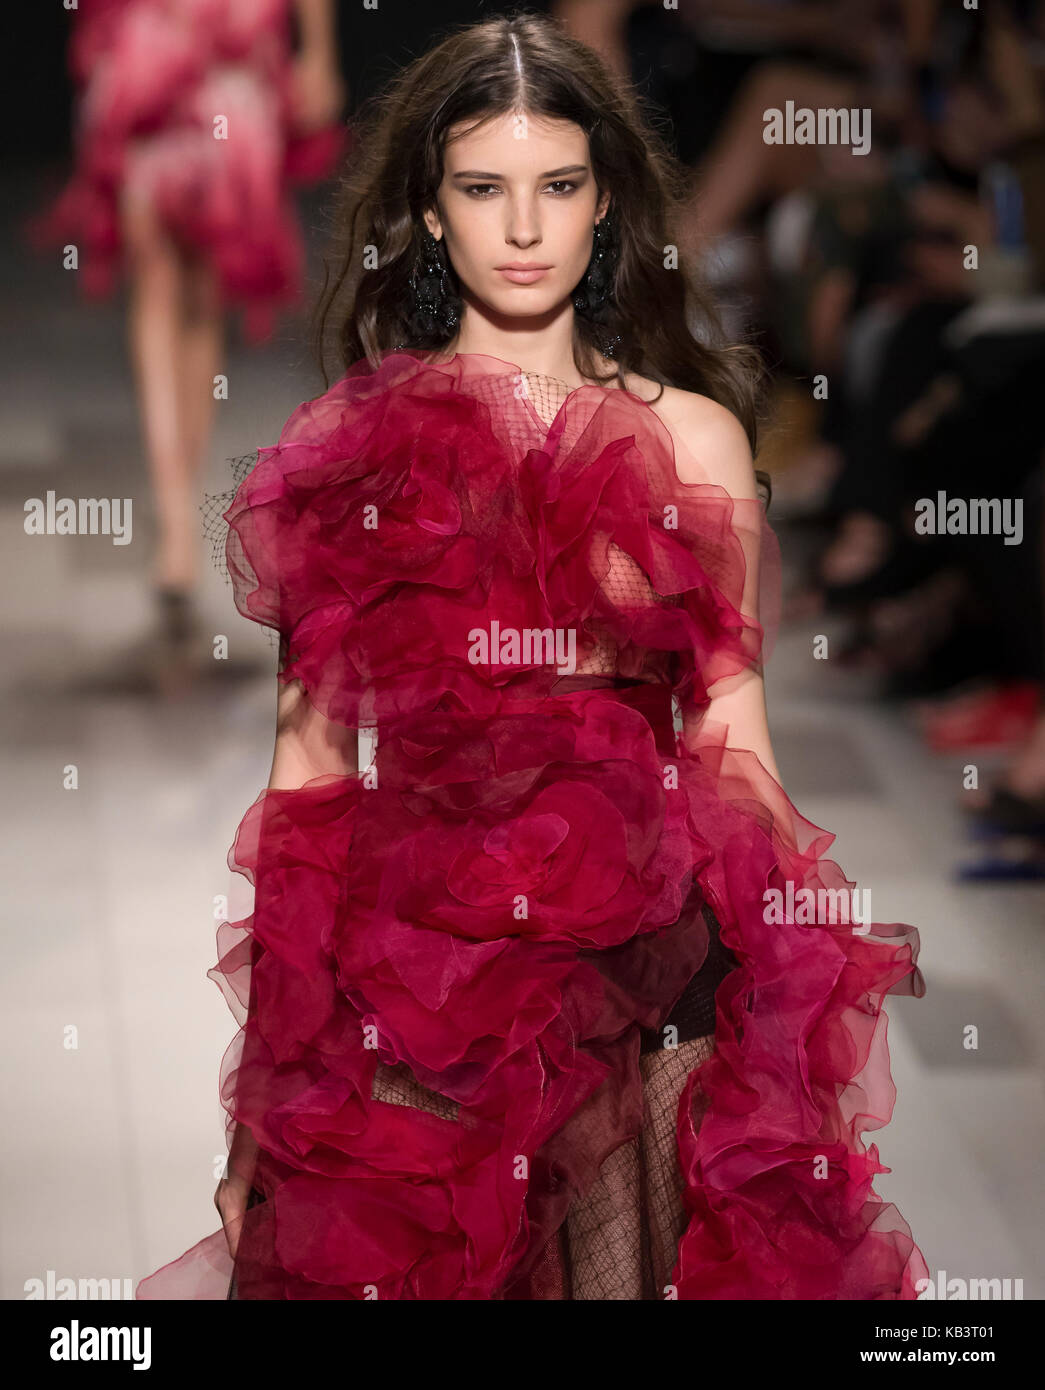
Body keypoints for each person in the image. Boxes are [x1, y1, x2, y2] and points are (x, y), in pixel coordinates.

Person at [136, 12, 926, 1301]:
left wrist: (786, 1038)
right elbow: (310, 776)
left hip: (654, 967)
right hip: (425, 977)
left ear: (604, 201)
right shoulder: (350, 457)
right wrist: (274, 1094)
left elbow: (731, 737)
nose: (522, 228)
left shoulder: (697, 442)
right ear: (431, 215)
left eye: (557, 187)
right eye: (483, 191)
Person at [28, 0, 346, 689]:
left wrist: (315, 49)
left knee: (206, 283)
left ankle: (180, 496)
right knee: (157, 274)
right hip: (148, 37)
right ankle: (175, 519)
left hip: (238, 42)